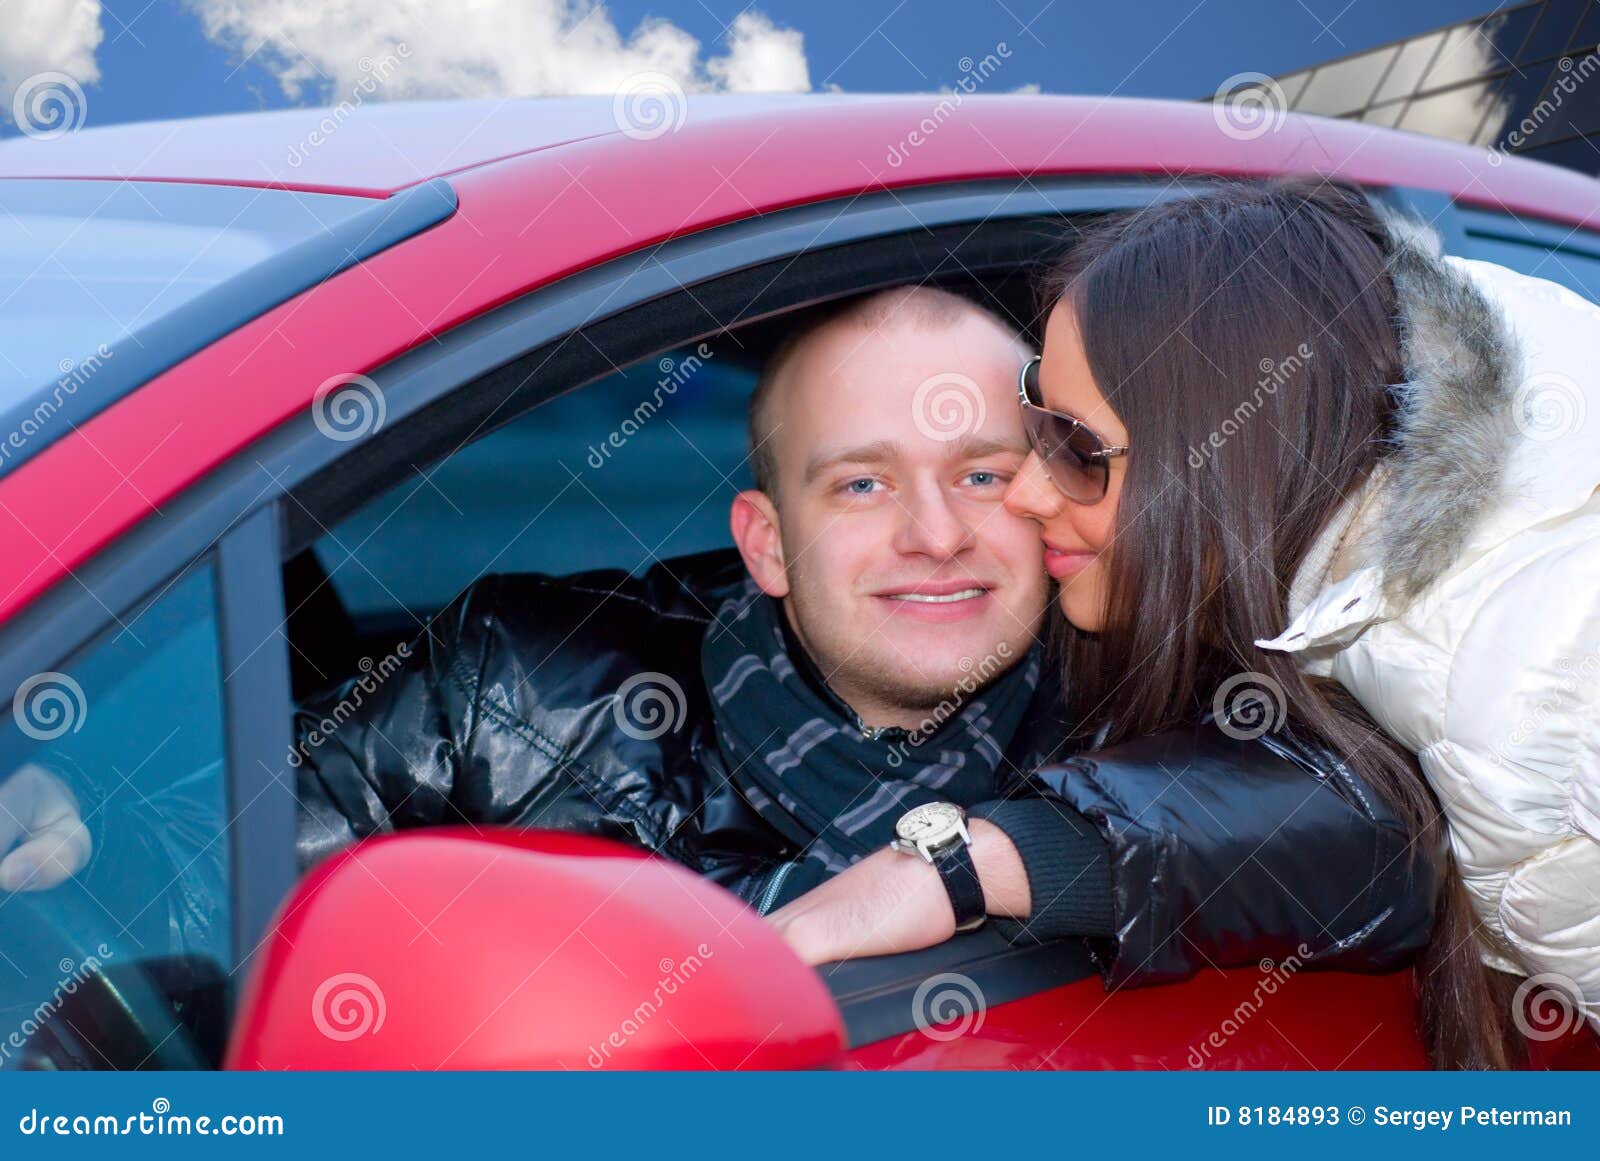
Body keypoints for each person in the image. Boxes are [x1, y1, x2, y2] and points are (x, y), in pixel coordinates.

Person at [1, 285, 1431, 1001]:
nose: (936, 534)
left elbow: (1398, 828)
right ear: (764, 540)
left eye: (986, 474)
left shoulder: (1146, 681)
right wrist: (82, 825)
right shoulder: (523, 681)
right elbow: (211, 873)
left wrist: (976, 860)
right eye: (861, 483)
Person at [980, 175, 1594, 1068]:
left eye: (1079, 449)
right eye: (1037, 414)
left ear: (1234, 460)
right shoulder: (1370, 618)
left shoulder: (1555, 667)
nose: (1025, 491)